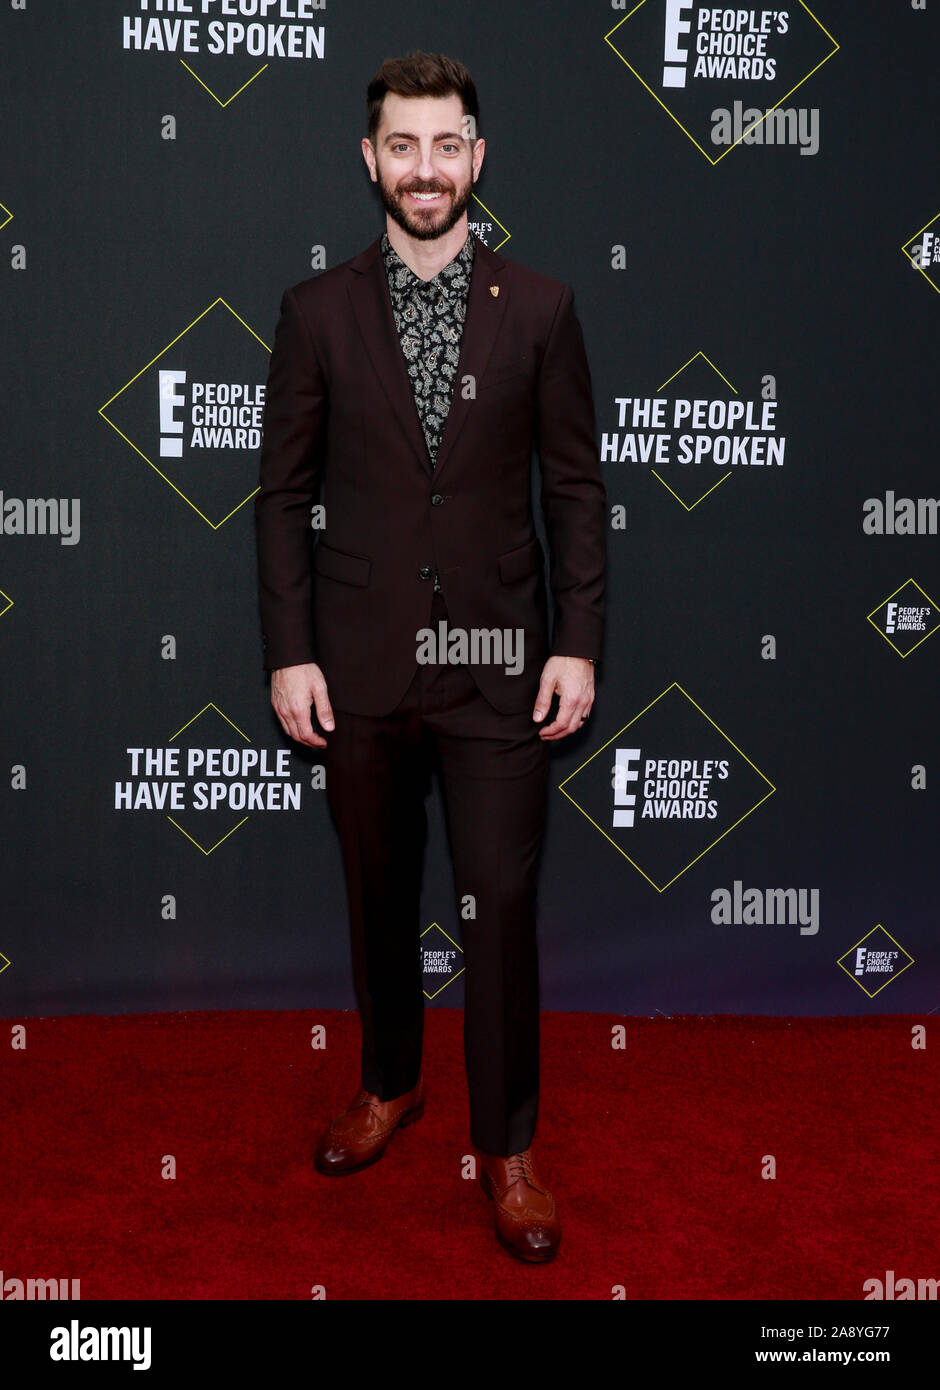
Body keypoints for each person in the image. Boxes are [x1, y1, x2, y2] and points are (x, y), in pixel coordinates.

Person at [254, 51, 606, 1263]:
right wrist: (290, 654)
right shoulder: (314, 313)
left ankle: (506, 1148)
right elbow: (279, 497)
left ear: (476, 157)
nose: (424, 169)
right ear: (370, 160)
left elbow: (575, 493)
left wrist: (576, 642)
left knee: (499, 904)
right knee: (377, 893)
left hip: (503, 664)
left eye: (445, 145)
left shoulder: (545, 309)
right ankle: (389, 1082)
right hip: (354, 666)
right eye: (401, 147)